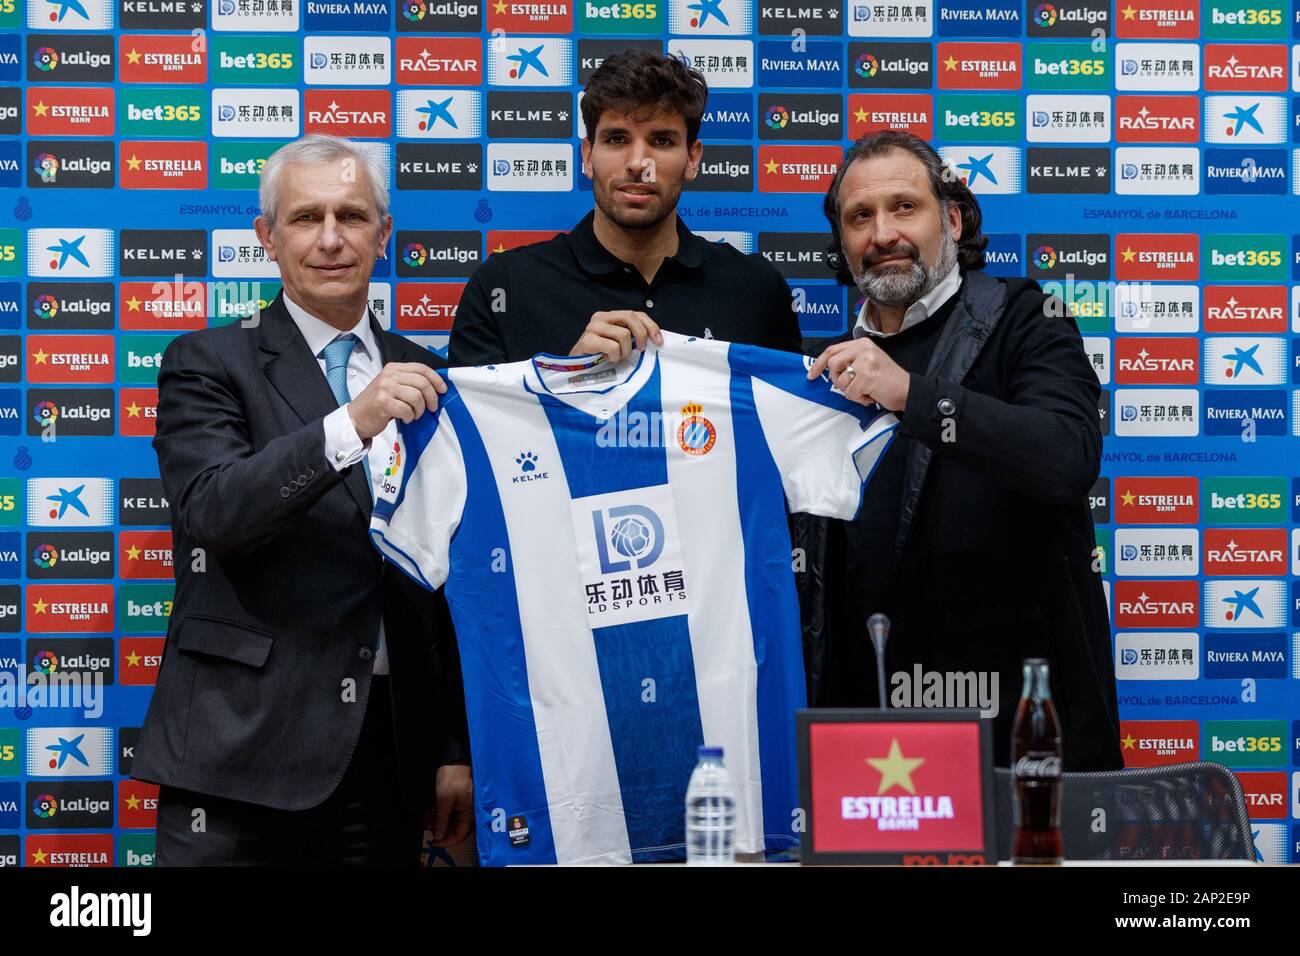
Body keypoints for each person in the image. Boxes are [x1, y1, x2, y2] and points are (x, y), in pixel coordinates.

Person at [133, 134, 474, 864]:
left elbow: (451, 584)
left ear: (383, 235)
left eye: (351, 216)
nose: (329, 239)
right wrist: (352, 422)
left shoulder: (433, 378)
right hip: (236, 759)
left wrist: (452, 748)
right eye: (304, 217)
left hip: (386, 763)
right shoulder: (207, 361)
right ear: (267, 238)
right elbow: (216, 511)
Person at [804, 131, 1122, 771]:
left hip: (1019, 723)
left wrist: (910, 395)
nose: (882, 233)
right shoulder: (824, 370)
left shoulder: (1029, 319)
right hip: (871, 728)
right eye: (859, 217)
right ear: (842, 241)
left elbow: (1065, 455)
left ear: (950, 218)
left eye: (904, 207)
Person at [449, 49, 802, 366]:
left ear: (692, 159)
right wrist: (568, 376)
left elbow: (785, 431)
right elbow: (473, 433)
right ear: (588, 156)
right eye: (617, 139)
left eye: (661, 141)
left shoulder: (758, 290)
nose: (638, 163)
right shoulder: (504, 287)